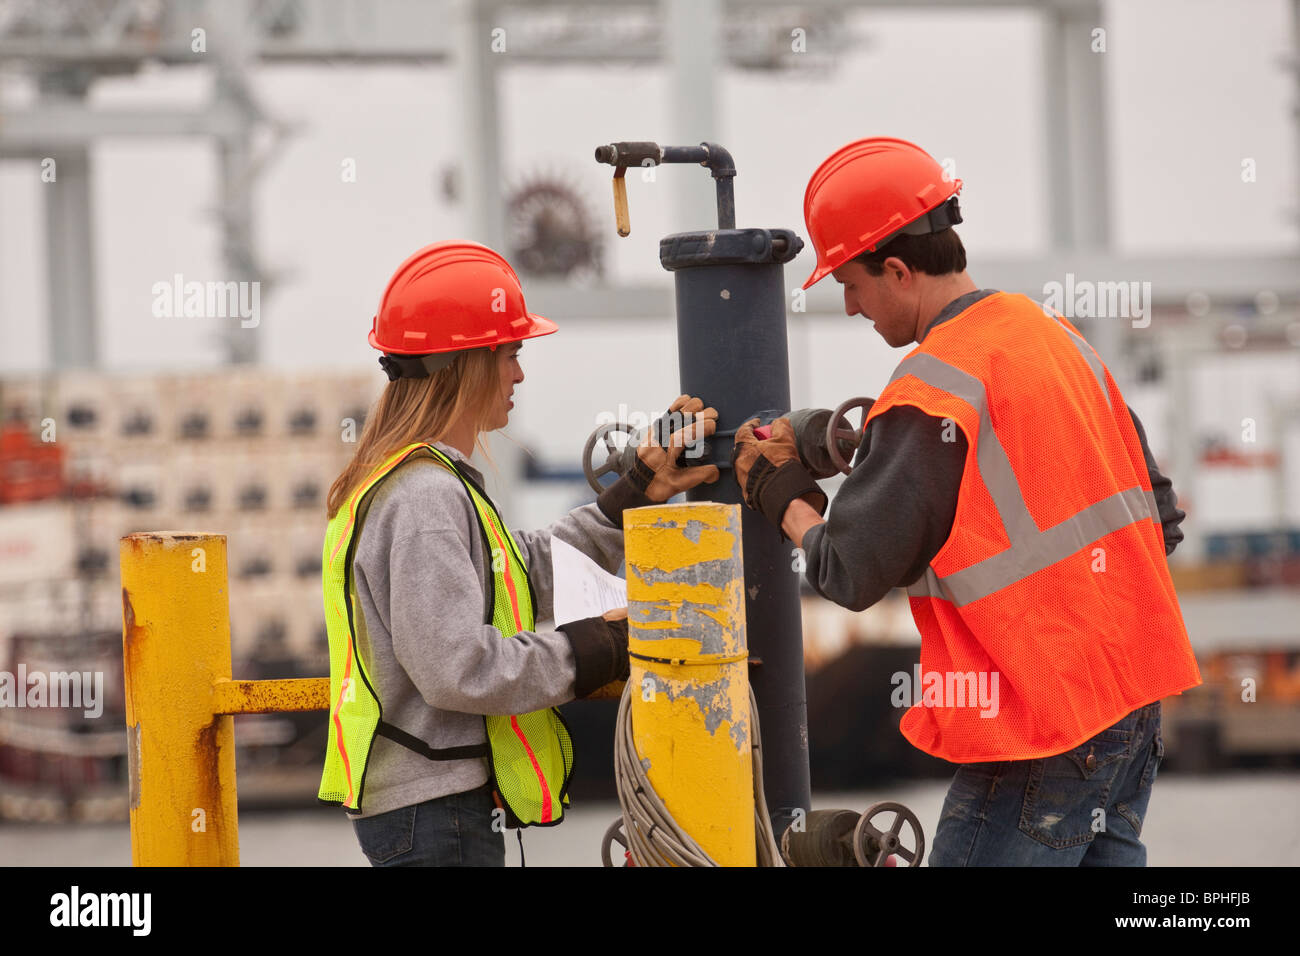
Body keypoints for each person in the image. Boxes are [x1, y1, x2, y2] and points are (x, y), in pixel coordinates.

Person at [731, 137, 1201, 866]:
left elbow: (847, 571)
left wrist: (779, 493)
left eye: (851, 285)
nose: (851, 307)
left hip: (1038, 719)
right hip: (1131, 706)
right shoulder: (1055, 340)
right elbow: (1157, 520)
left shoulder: (929, 388)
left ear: (896, 269)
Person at [319, 240, 719, 866]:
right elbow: (457, 667)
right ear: (465, 364)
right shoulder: (424, 497)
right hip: (436, 814)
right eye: (511, 353)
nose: (520, 374)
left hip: (430, 809)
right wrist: (598, 647)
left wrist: (635, 493)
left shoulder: (421, 483)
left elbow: (521, 571)